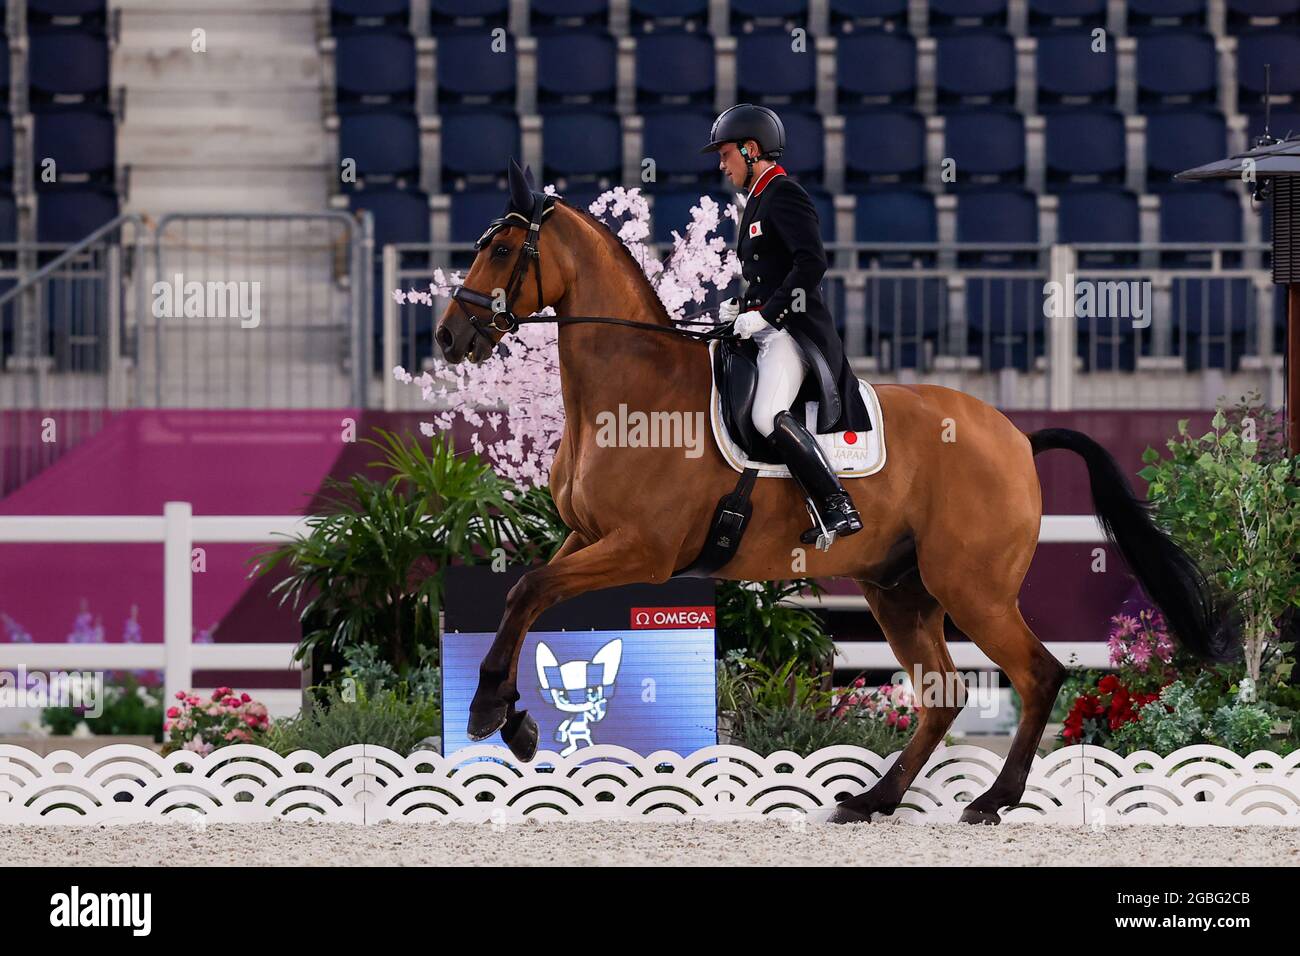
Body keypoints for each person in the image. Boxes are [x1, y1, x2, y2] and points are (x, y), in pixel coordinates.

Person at [700, 103, 867, 546]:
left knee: (765, 414)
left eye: (725, 154)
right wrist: (741, 308)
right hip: (766, 328)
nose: (721, 164)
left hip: (793, 332)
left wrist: (766, 314)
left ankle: (837, 505)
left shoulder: (783, 193)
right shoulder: (756, 198)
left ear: (751, 150)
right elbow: (766, 274)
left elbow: (811, 263)